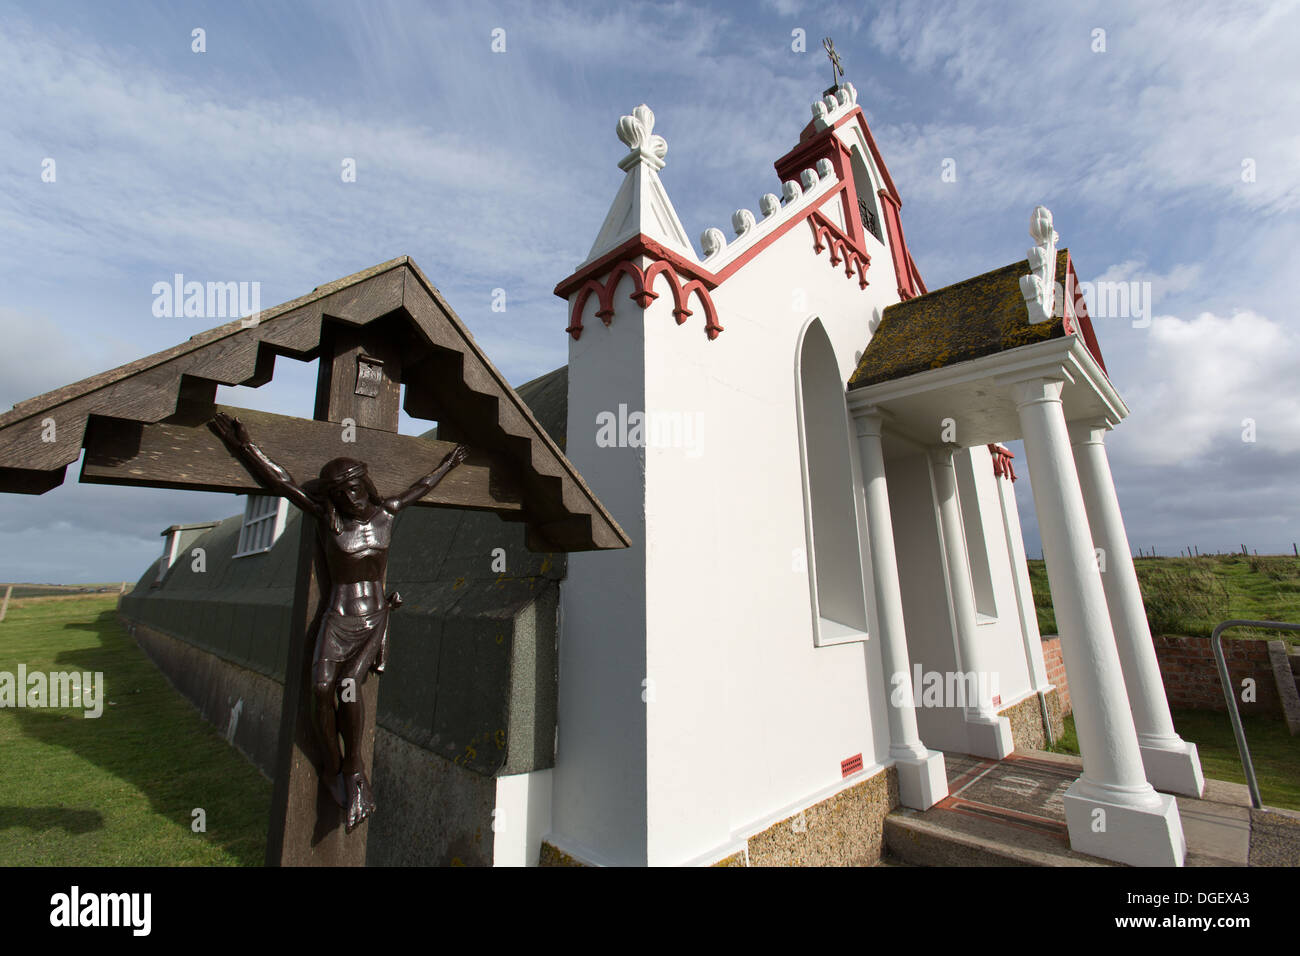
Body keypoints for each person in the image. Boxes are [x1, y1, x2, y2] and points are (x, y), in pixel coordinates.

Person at [209, 411, 468, 831]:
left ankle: (354, 768)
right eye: (339, 492)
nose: (348, 496)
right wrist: (244, 445)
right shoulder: (328, 520)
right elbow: (282, 483)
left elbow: (422, 486)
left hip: (373, 619)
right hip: (338, 617)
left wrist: (449, 464)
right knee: (320, 689)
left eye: (352, 487)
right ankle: (332, 767)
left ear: (364, 484)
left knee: (348, 691)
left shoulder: (388, 513)